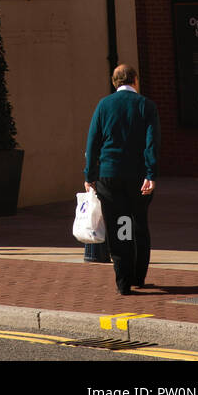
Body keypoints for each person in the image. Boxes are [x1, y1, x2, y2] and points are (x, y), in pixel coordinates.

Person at [84, 64, 161, 296]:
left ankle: (123, 282)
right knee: (138, 224)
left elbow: (93, 142)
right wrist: (151, 174)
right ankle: (138, 276)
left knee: (119, 227)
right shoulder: (146, 106)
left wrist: (89, 175)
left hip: (109, 175)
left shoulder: (104, 105)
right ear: (135, 80)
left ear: (114, 81)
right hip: (137, 176)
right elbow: (152, 143)